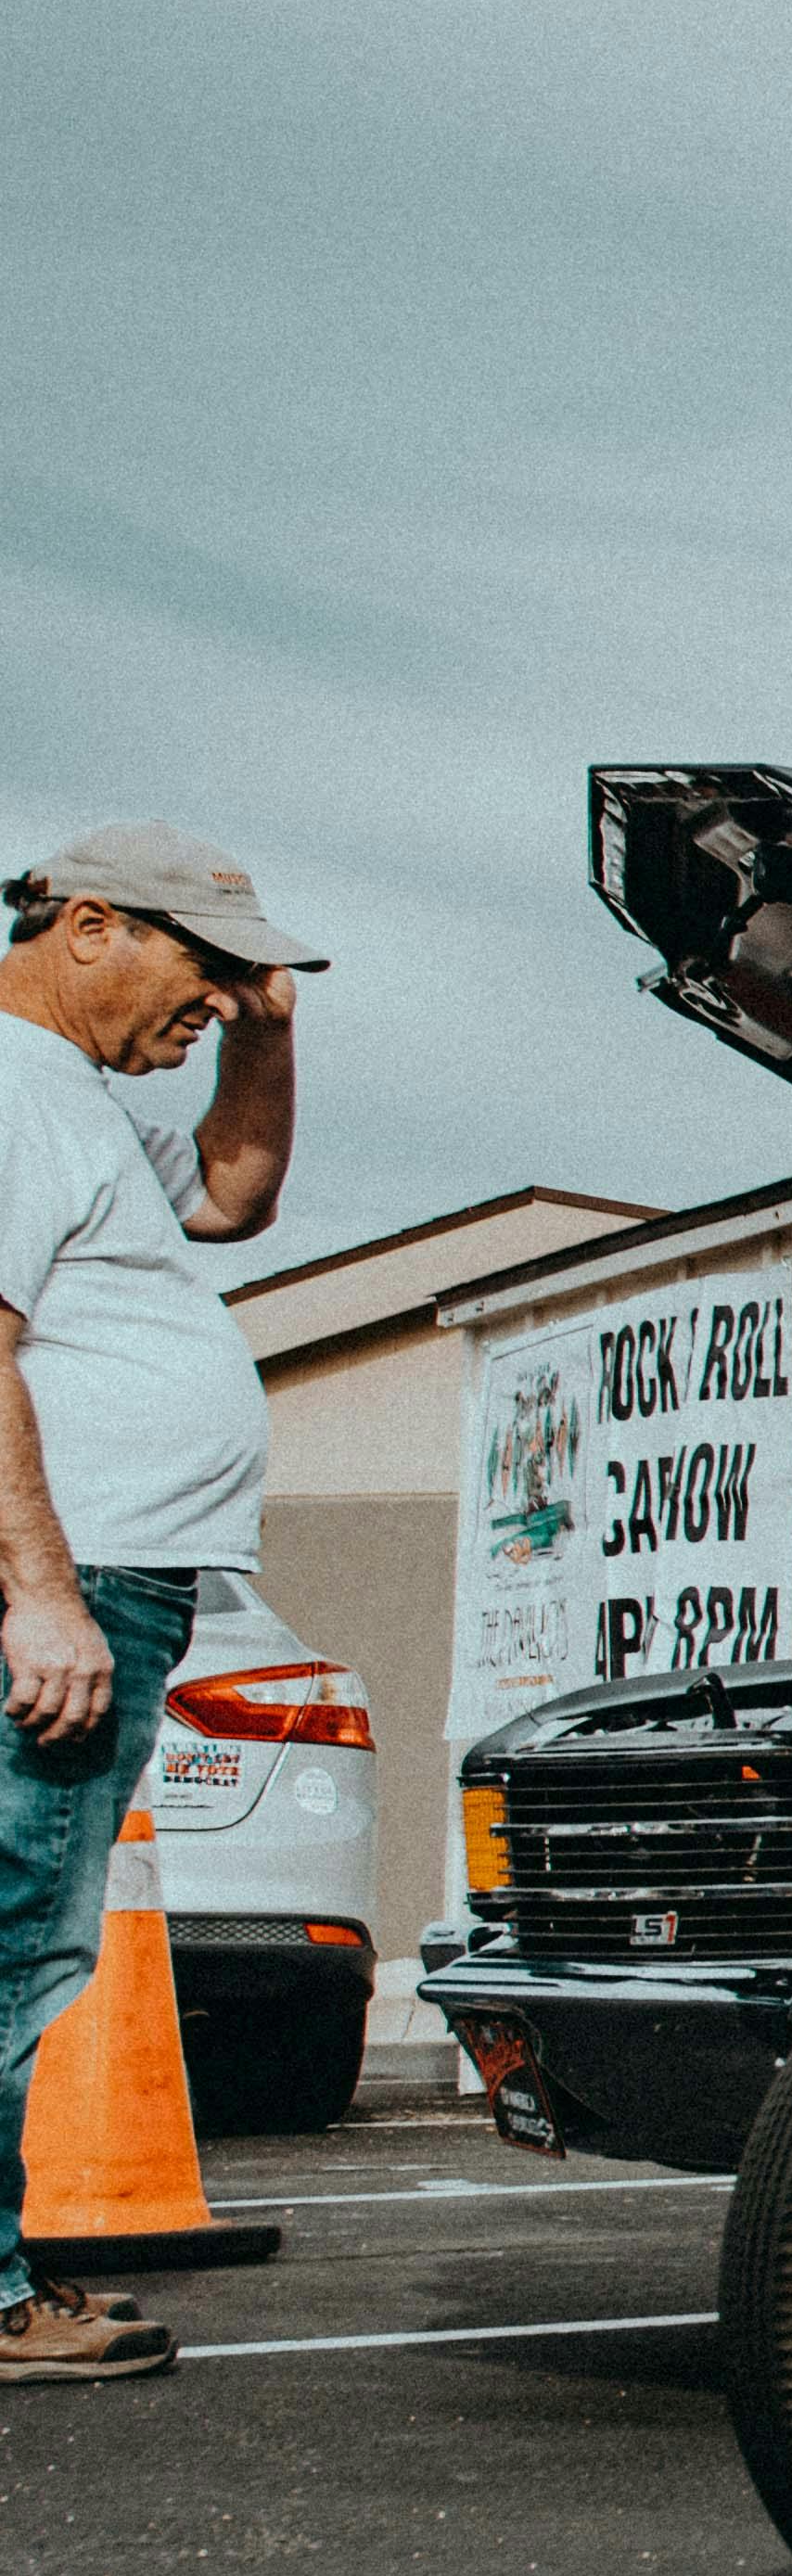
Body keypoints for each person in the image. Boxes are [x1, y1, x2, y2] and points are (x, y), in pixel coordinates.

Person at [0, 823, 318, 2382]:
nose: (220, 995)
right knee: (13, 1944)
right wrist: (41, 1595)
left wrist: (262, 1032)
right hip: (70, 1590)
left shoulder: (80, 1106)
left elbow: (235, 1201)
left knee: (21, 1940)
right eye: (202, 963)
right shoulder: (7, 1084)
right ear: (82, 927)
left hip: (120, 1580)